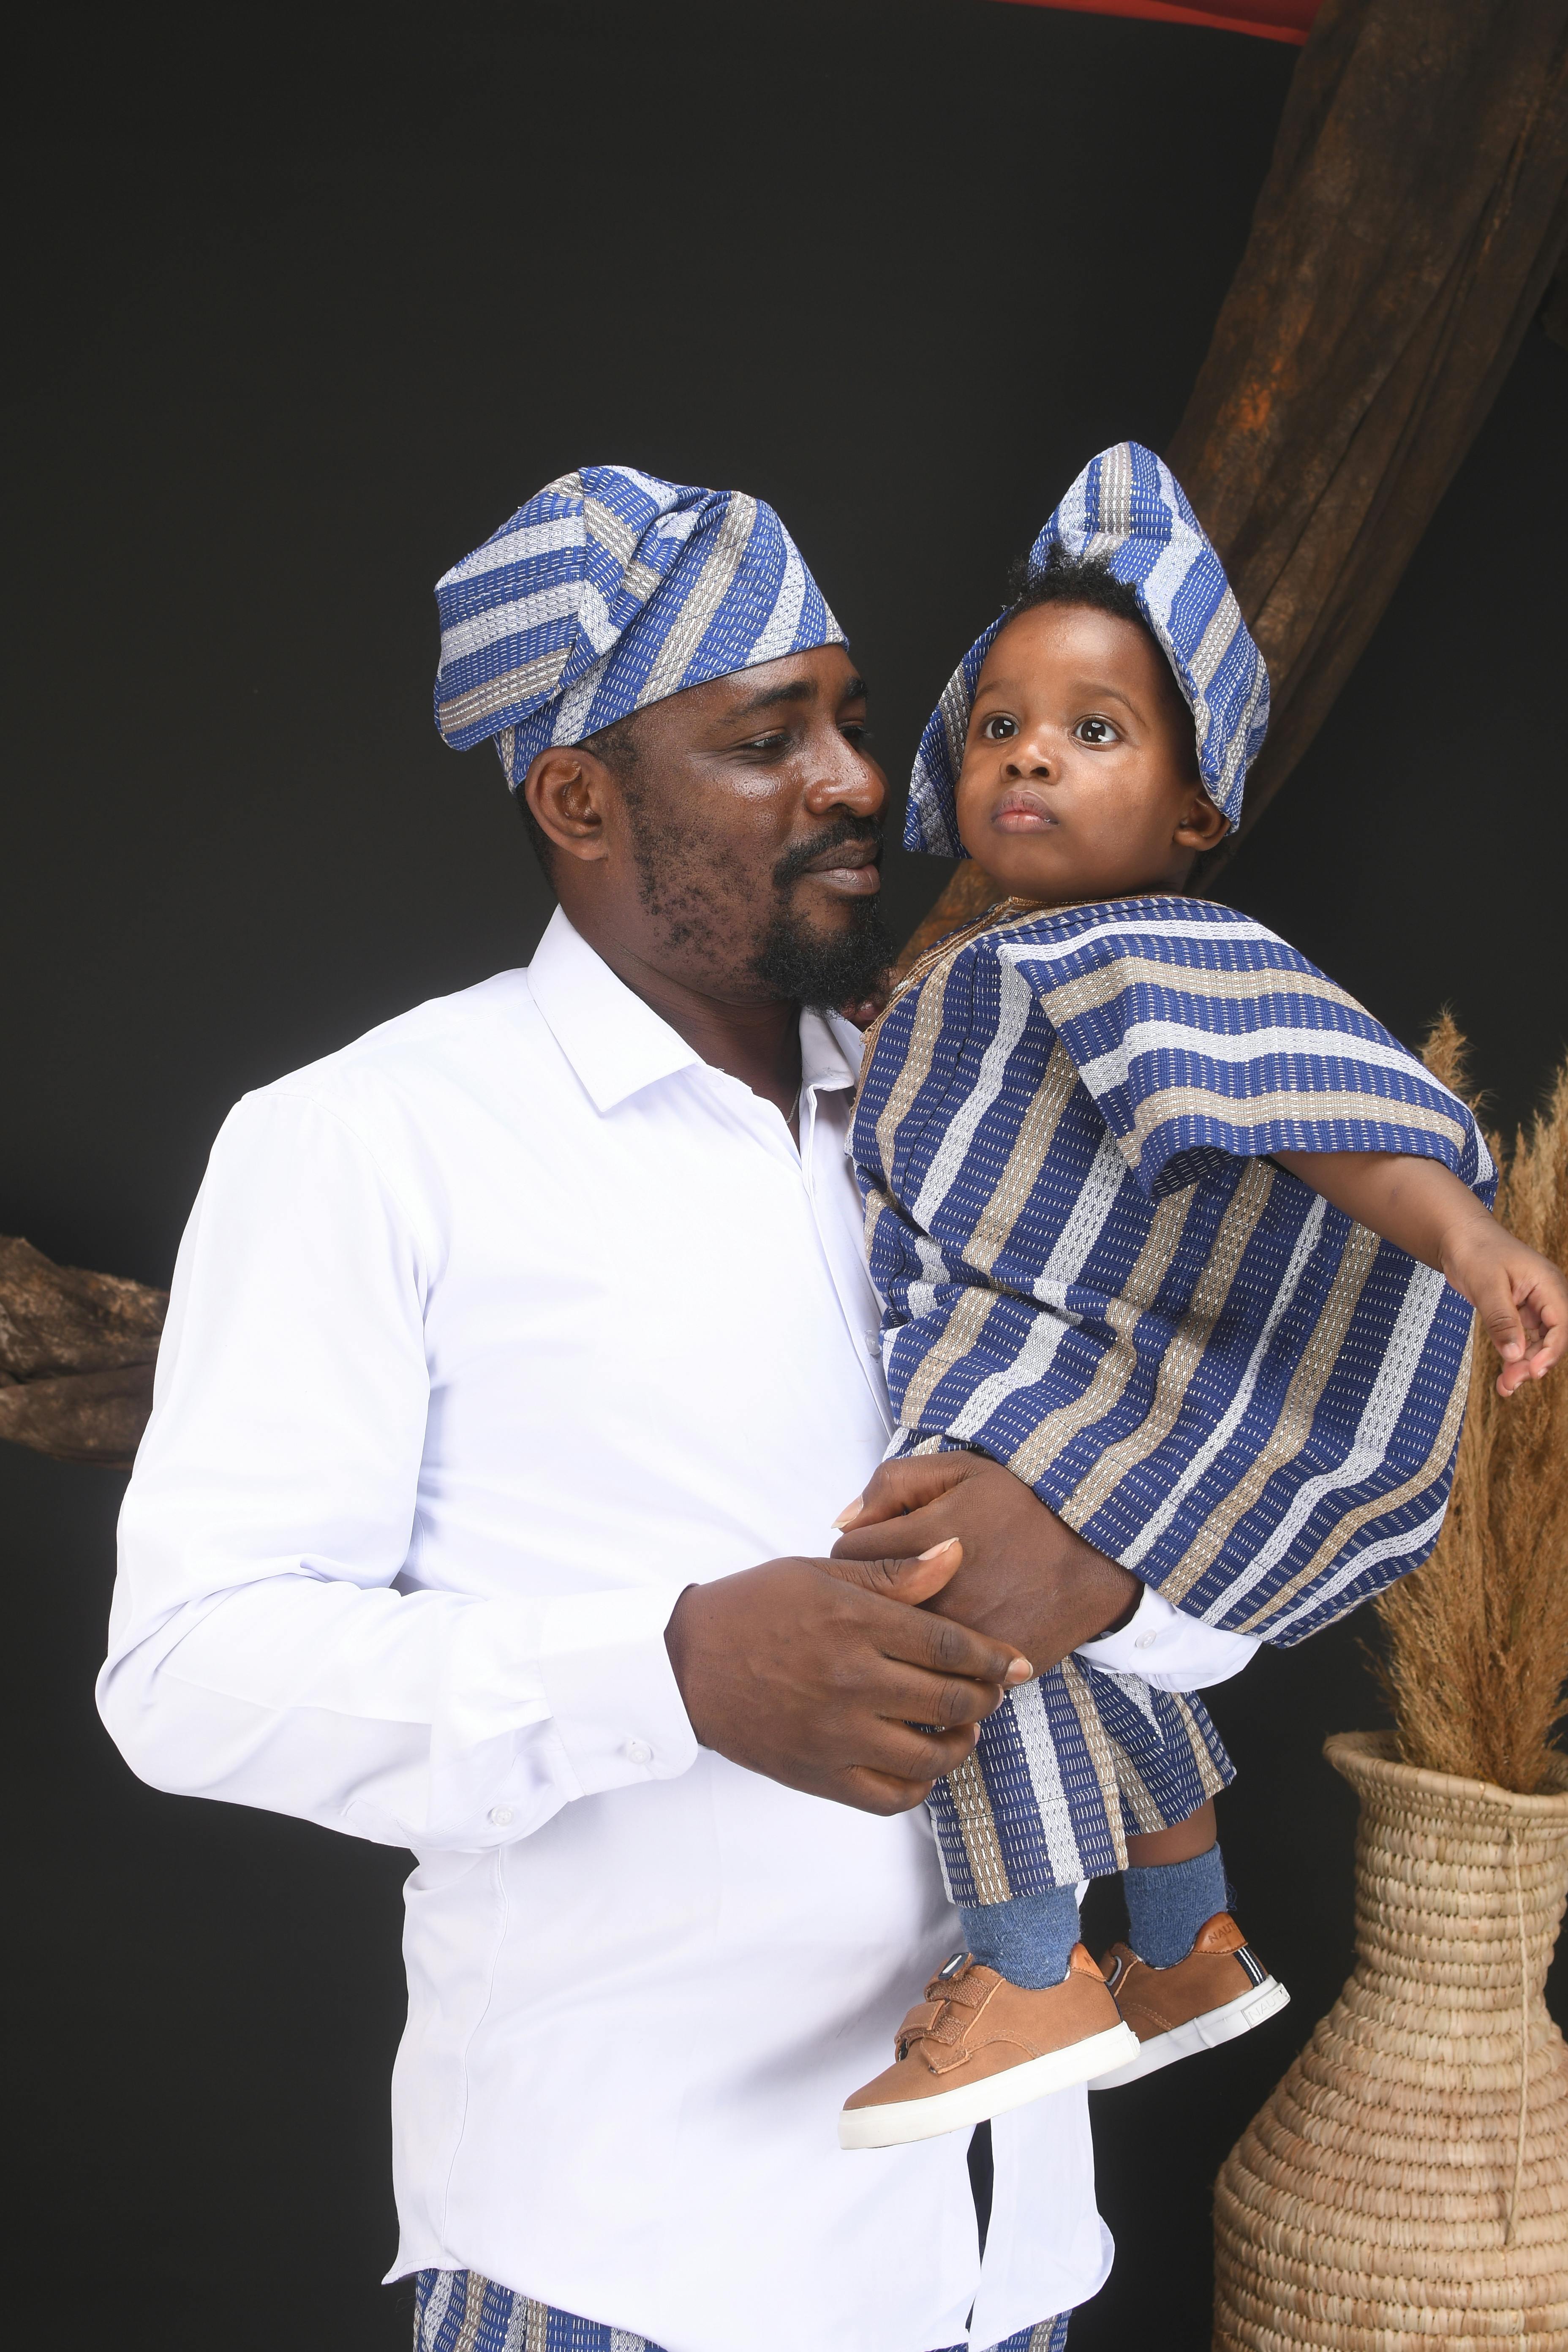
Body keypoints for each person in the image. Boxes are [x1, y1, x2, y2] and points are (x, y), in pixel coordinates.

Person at [100, 463, 1255, 2352]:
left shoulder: (975, 1115)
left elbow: (1219, 1585)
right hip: (629, 2272)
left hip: (1012, 2264)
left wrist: (1113, 1582)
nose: (861, 782)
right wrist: (674, 1669)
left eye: (856, 722)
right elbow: (187, 1673)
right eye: (767, 740)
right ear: (579, 801)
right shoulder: (371, 1141)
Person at [832, 443, 1568, 2152]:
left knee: (955, 1618)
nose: (1031, 754)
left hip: (1055, 1371)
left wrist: (1468, 1242)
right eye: (1002, 724)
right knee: (1087, 1651)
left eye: (1096, 731)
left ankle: (1029, 1966)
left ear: (1193, 810)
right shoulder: (987, 963)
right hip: (1024, 1361)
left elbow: (1325, 1115)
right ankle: (1183, 1935)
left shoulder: (1164, 949)